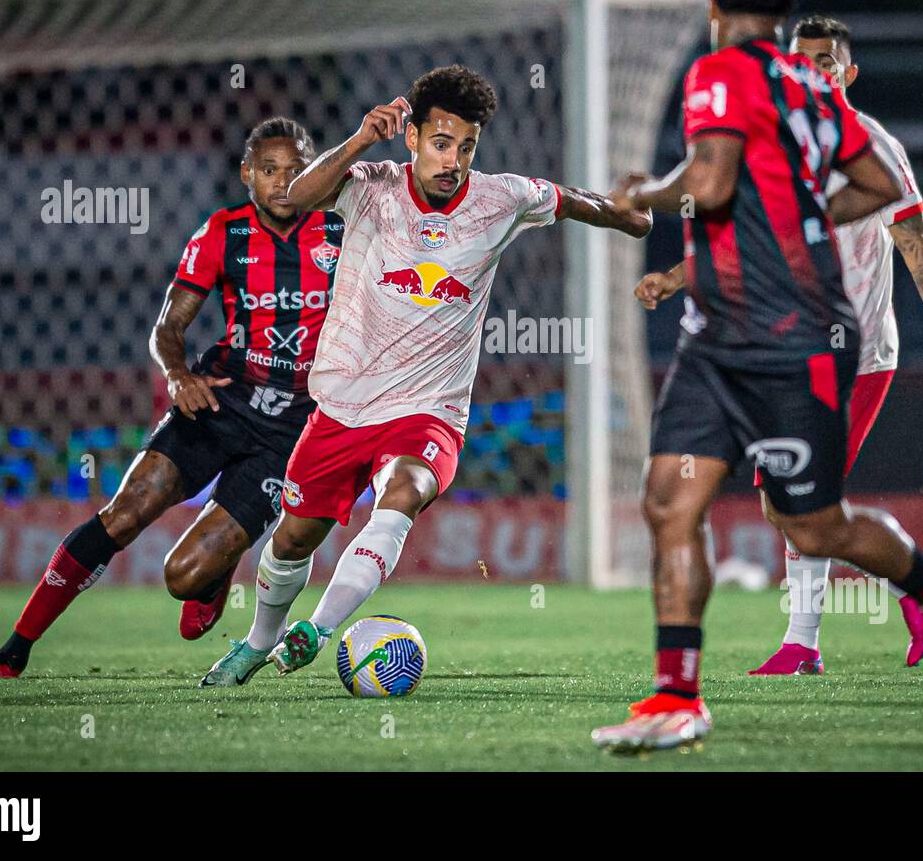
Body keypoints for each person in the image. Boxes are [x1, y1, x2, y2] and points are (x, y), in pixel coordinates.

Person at [592, 0, 923, 752]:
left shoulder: (717, 74)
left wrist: (643, 193)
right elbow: (871, 186)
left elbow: (711, 184)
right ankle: (676, 695)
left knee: (810, 523)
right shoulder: (814, 93)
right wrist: (794, 220)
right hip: (733, 329)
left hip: (798, 335)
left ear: (715, 10)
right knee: (672, 498)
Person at [199, 65, 652, 687]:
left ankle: (321, 628)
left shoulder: (502, 198)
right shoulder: (371, 184)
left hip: (429, 408)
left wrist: (625, 214)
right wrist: (359, 139)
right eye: (441, 143)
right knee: (292, 541)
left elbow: (574, 202)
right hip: (342, 404)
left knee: (405, 491)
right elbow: (294, 199)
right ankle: (257, 642)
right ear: (411, 137)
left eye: (466, 147)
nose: (454, 160)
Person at [0, 118, 343, 678]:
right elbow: (169, 324)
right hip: (218, 400)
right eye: (269, 170)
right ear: (246, 174)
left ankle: (214, 574)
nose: (283, 183)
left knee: (182, 578)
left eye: (295, 170)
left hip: (291, 427)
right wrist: (176, 374)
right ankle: (14, 650)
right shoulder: (222, 234)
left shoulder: (341, 232)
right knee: (124, 513)